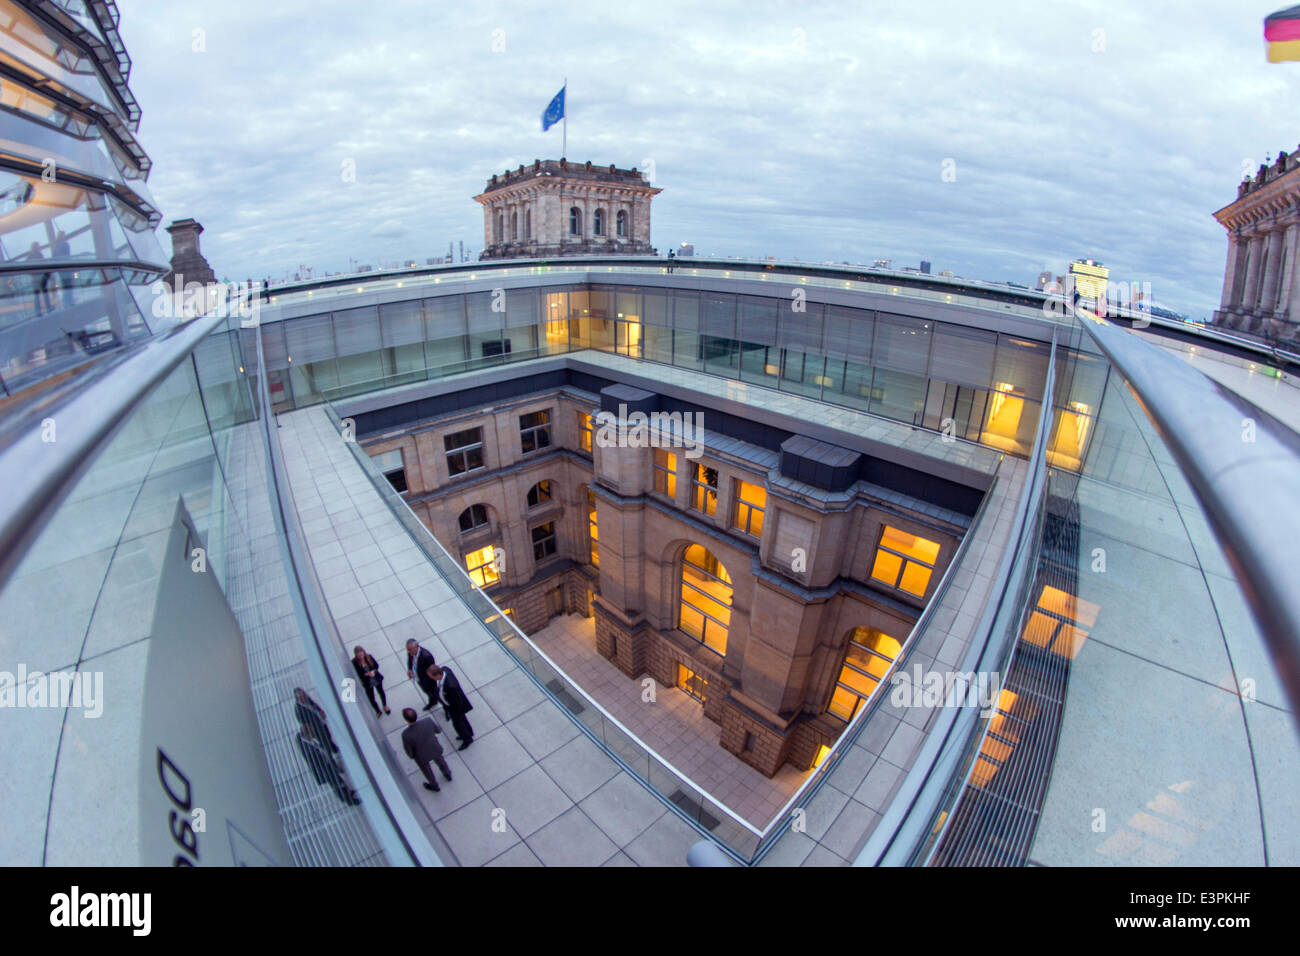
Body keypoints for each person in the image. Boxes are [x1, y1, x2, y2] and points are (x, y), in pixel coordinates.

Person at [296, 723, 359, 805]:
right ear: (307, 735)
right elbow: (317, 761)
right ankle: (349, 800)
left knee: (338, 780)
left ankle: (348, 793)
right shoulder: (309, 750)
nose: (314, 736)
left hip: (326, 766)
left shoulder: (303, 740)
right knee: (336, 784)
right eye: (312, 734)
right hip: (324, 769)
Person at [399, 707, 453, 792]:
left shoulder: (406, 735)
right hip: (434, 748)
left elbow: (409, 750)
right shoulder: (428, 721)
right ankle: (448, 774)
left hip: (421, 756)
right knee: (441, 762)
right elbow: (438, 730)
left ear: (406, 719)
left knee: (427, 771)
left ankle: (434, 785)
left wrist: (412, 756)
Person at [428, 664, 474, 750]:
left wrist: (454, 711)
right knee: (463, 720)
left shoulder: (451, 686)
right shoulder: (445, 669)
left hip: (456, 708)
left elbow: (457, 701)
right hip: (451, 705)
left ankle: (467, 739)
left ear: (438, 675)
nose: (431, 679)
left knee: (458, 724)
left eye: (432, 677)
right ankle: (469, 733)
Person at [293, 687, 338, 753]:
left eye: (304, 694)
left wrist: (320, 712)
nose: (305, 696)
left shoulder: (307, 700)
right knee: (324, 741)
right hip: (315, 728)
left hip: (321, 722)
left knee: (328, 736)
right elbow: (304, 723)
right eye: (302, 696)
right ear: (298, 699)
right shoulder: (298, 710)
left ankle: (334, 750)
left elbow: (315, 706)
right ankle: (332, 752)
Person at [351, 645, 389, 716]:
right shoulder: (354, 663)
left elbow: (376, 666)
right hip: (367, 682)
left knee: (381, 692)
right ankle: (378, 710)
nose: (361, 657)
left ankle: (385, 705)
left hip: (375, 678)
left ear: (363, 653)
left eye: (361, 655)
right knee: (371, 698)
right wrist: (365, 675)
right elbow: (356, 674)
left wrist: (373, 672)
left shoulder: (369, 657)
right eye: (359, 656)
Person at [405, 640, 438, 711]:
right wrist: (410, 669)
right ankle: (432, 702)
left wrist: (428, 682)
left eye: (410, 650)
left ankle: (445, 708)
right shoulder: (411, 653)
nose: (408, 652)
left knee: (435, 694)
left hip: (427, 681)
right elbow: (410, 661)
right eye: (408, 650)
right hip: (419, 678)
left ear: (416, 647)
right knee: (427, 692)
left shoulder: (427, 656)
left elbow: (432, 672)